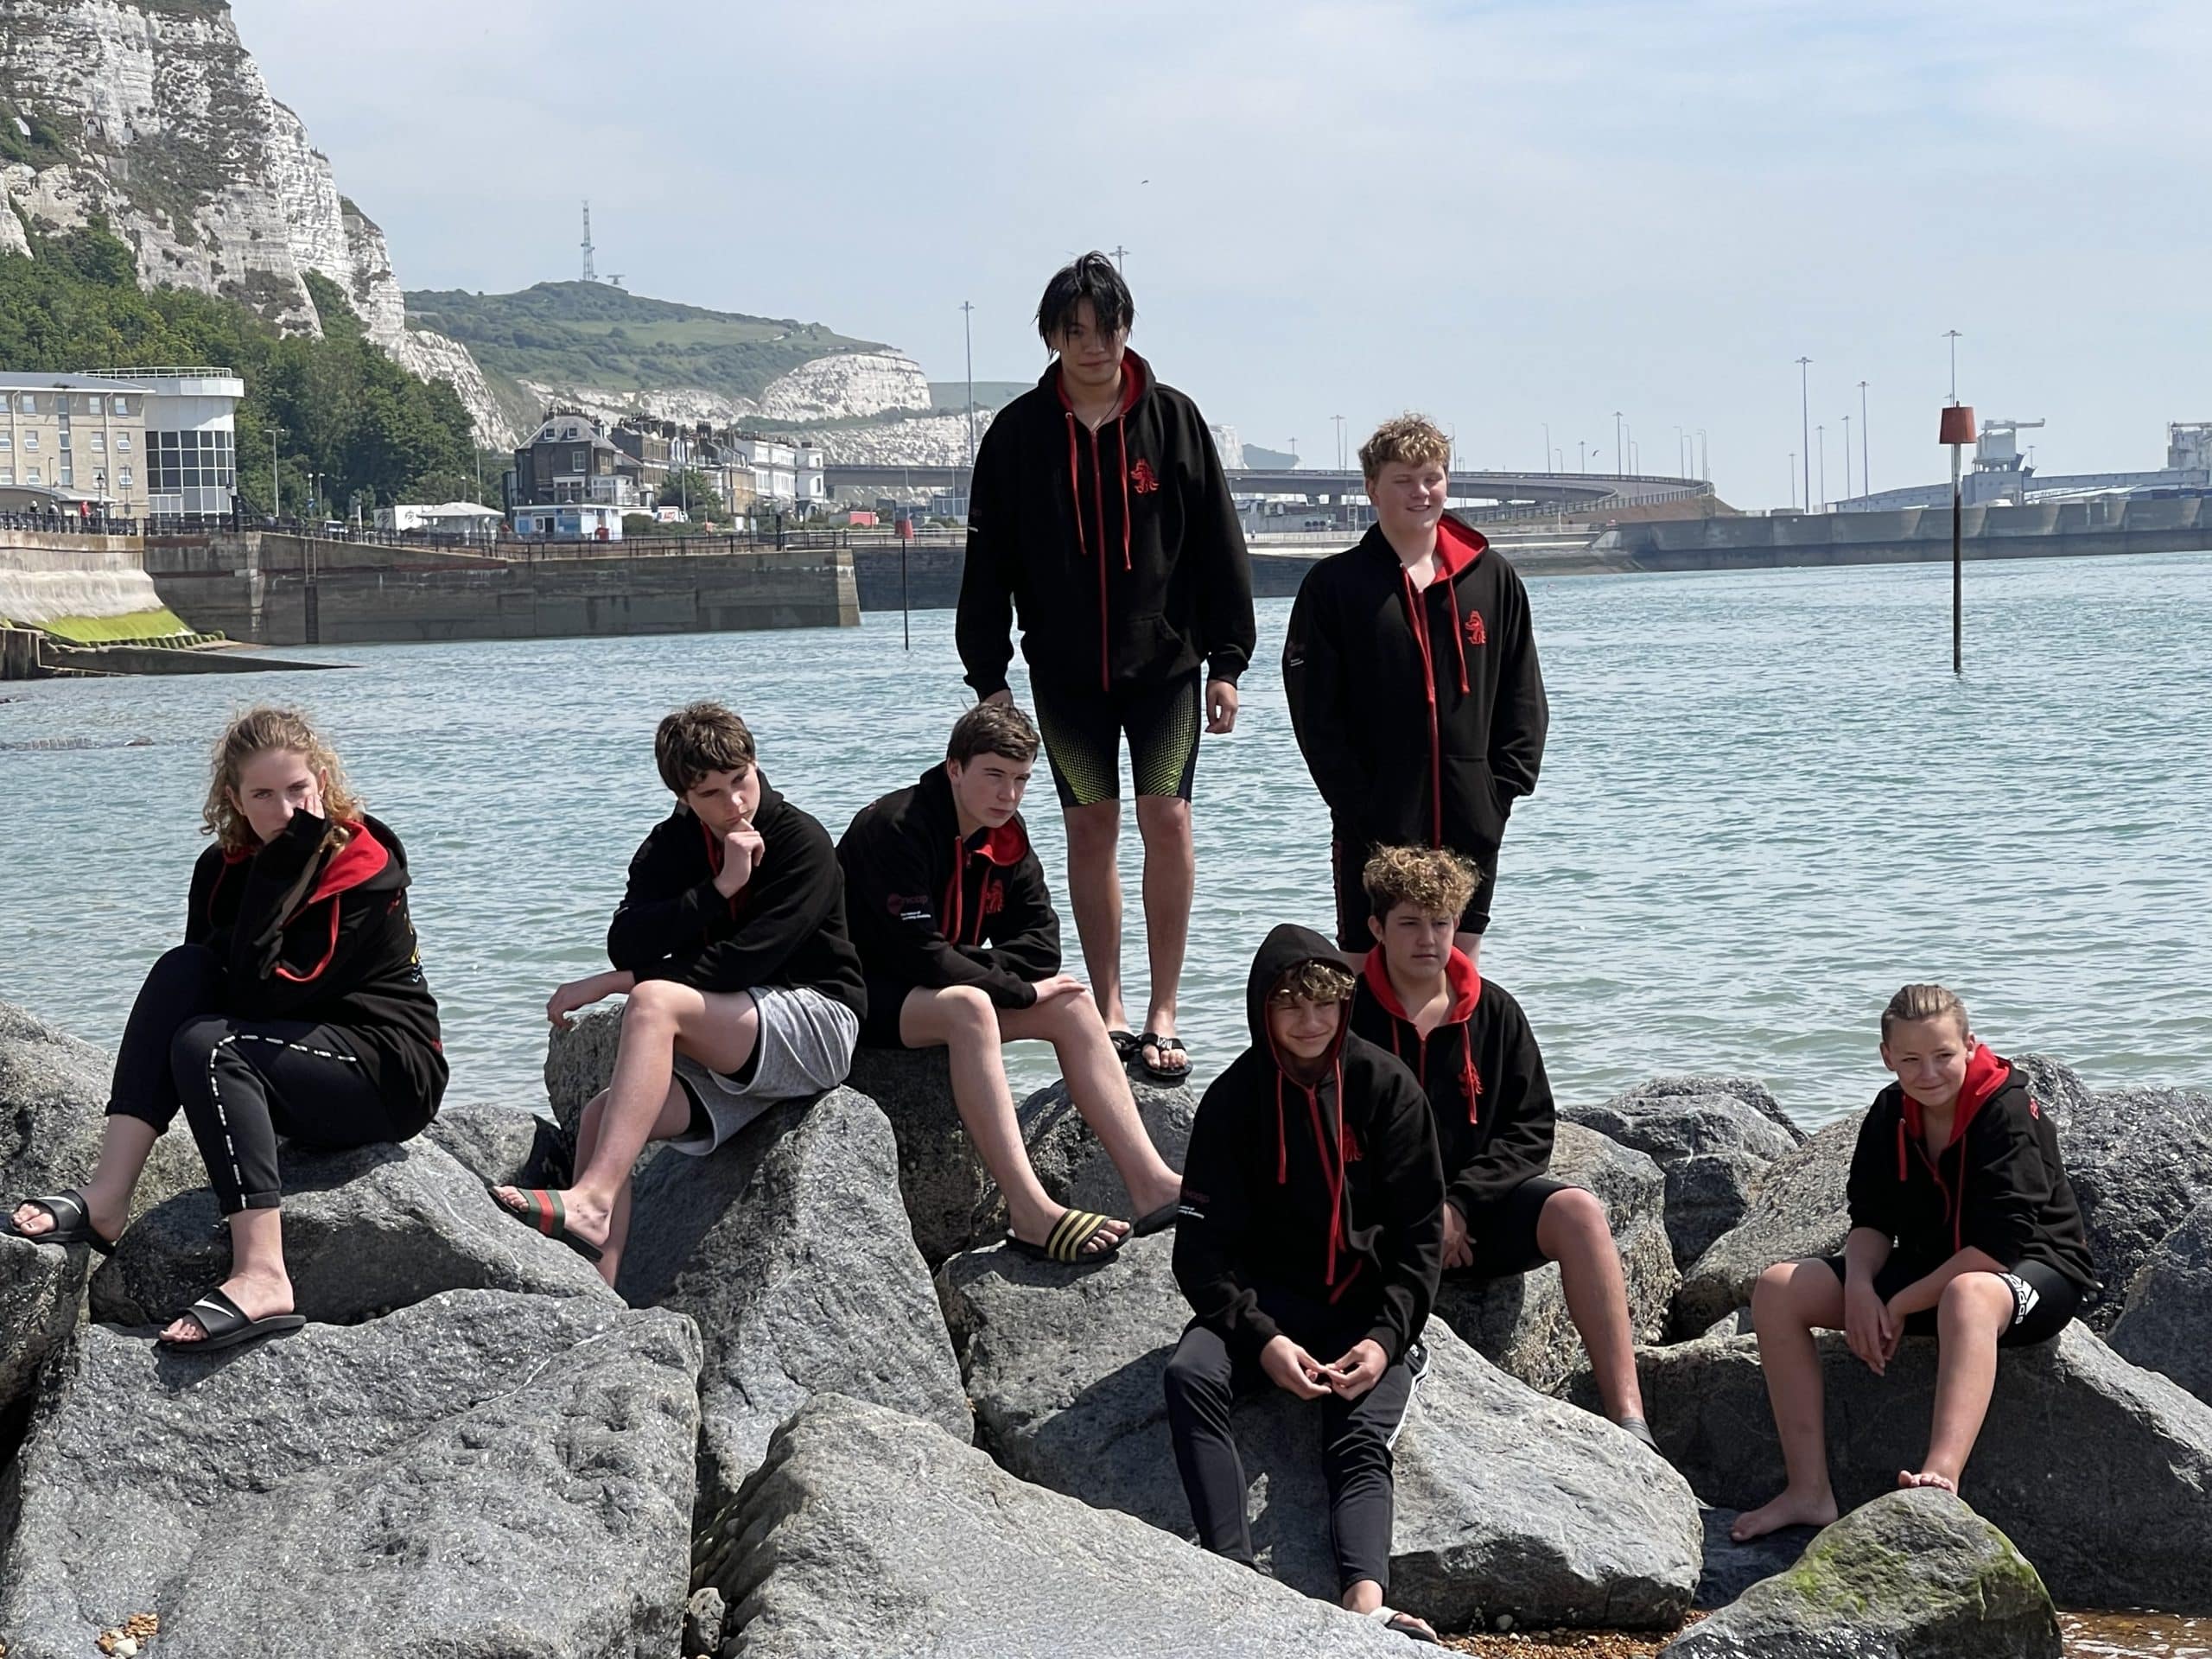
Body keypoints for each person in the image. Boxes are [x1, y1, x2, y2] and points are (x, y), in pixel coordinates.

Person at [5, 706, 446, 1351]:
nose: (287, 810)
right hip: (298, 1053)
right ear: (233, 799)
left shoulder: (362, 869)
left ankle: (264, 1274)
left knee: (213, 1048)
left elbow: (269, 992)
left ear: (321, 780)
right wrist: (264, 872)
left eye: (298, 789)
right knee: (182, 971)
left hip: (385, 1070)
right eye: (263, 795)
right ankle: (107, 1197)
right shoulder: (222, 868)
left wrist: (282, 867)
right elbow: (204, 988)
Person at [956, 251, 1255, 1084]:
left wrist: (1228, 661)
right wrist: (988, 675)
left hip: (1166, 668)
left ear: (1128, 329)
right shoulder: (1017, 435)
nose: (1093, 345)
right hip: (1061, 673)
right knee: (1091, 829)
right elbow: (988, 566)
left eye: (1107, 327)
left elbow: (1220, 550)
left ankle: (1164, 1010)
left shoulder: (1176, 422)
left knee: (1169, 820)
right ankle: (1113, 1009)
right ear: (1052, 337)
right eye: (1075, 330)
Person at [492, 702, 862, 1285]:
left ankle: (589, 1201)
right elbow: (628, 940)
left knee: (653, 1001)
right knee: (599, 1119)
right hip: (733, 1042)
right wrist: (719, 889)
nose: (735, 803)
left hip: (815, 1025)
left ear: (755, 764)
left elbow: (748, 960)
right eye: (712, 793)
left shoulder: (800, 841)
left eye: (741, 781)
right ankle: (597, 1298)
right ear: (684, 796)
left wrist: (624, 984)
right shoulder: (673, 845)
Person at [1730, 983, 2096, 1541]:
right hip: (1930, 1266)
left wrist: (1897, 1304)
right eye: (1910, 1060)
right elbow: (1872, 1220)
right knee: (1778, 1288)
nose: (1928, 1073)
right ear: (1887, 1058)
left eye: (1943, 1055)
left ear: (1971, 1046)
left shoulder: (2008, 1109)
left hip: (2029, 1272)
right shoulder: (1889, 1112)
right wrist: (1858, 1290)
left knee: (1967, 1292)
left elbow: (1997, 1249)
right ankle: (1808, 1492)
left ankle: (1941, 1477)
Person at [1167, 925, 1446, 1645]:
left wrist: (1385, 1343)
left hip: (1366, 1305)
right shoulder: (1232, 1101)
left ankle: (1366, 1603)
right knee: (1189, 1373)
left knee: (1355, 1442)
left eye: (1325, 1004)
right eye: (1290, 1004)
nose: (1311, 1022)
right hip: (1268, 1305)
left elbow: (1421, 1245)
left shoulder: (1388, 1088)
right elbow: (1198, 1255)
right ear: (1262, 1009)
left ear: (1344, 1005)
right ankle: (1231, 1571)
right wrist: (1263, 1343)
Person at [837, 701, 1185, 1262]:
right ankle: (1030, 1212)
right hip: (863, 995)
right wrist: (1012, 987)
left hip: (935, 991)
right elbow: (915, 955)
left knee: (1071, 1002)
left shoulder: (1006, 833)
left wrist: (974, 964)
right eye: (994, 776)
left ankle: (1151, 1184)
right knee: (972, 1005)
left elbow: (1041, 946)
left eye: (1021, 779)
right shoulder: (896, 828)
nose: (1008, 795)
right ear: (955, 769)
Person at [1348, 846, 1656, 1451]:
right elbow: (1335, 1140)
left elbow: (1530, 1129)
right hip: (1383, 1224)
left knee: (1580, 1213)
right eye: (1409, 923)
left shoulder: (1495, 1011)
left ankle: (1631, 1421)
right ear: (1377, 929)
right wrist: (1422, 1214)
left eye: (1441, 922)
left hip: (1477, 1218)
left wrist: (1459, 1208)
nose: (1428, 939)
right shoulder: (1347, 1017)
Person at [1282, 415, 1548, 962]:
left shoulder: (1493, 578)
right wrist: (1360, 802)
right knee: (1366, 975)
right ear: (1372, 489)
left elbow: (1524, 695)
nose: (1421, 492)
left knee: (1457, 974)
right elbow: (1316, 717)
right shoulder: (1333, 587)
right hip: (1373, 822)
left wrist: (1499, 794)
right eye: (1403, 479)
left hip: (1471, 819)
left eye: (1432, 477)